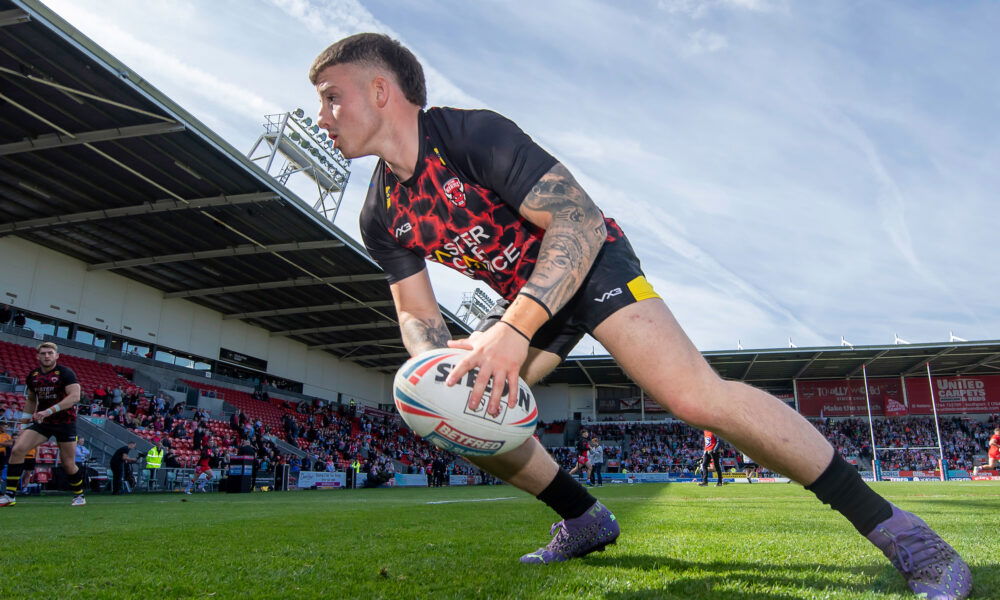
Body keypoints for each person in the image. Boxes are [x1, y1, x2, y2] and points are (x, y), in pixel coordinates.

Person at [305, 33, 971, 598]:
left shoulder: (471, 134)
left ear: (382, 90)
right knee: (464, 407)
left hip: (589, 261)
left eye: (333, 96)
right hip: (526, 300)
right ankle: (585, 519)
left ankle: (905, 535)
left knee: (693, 396)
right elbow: (417, 317)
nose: (324, 115)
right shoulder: (379, 213)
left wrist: (510, 333)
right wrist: (437, 374)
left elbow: (578, 220)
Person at [1, 342, 86, 507]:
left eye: (50, 353)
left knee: (67, 463)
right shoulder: (33, 376)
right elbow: (32, 400)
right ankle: (10, 495)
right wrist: (23, 424)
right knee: (18, 449)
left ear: (56, 356)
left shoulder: (65, 373)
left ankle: (79, 495)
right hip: (43, 422)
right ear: (37, 356)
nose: (46, 356)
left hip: (65, 422)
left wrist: (48, 411)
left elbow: (75, 397)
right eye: (43, 353)